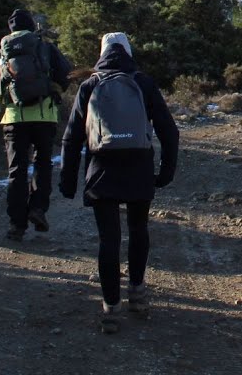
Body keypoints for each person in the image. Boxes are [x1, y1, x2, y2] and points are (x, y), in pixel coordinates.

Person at [59, 32, 179, 334]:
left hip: (102, 169)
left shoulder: (89, 85)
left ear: (101, 54)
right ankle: (137, 293)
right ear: (128, 52)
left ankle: (111, 307)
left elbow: (72, 138)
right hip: (139, 166)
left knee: (108, 239)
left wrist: (68, 181)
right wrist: (166, 171)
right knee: (139, 230)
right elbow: (169, 130)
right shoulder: (144, 83)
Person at [0, 8, 72, 241]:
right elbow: (65, 74)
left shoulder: (0, 53)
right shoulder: (45, 48)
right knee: (43, 164)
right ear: (31, 26)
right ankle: (38, 208)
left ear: (11, 29)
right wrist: (52, 91)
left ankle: (16, 224)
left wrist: (6, 99)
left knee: (17, 170)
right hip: (44, 117)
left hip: (14, 119)